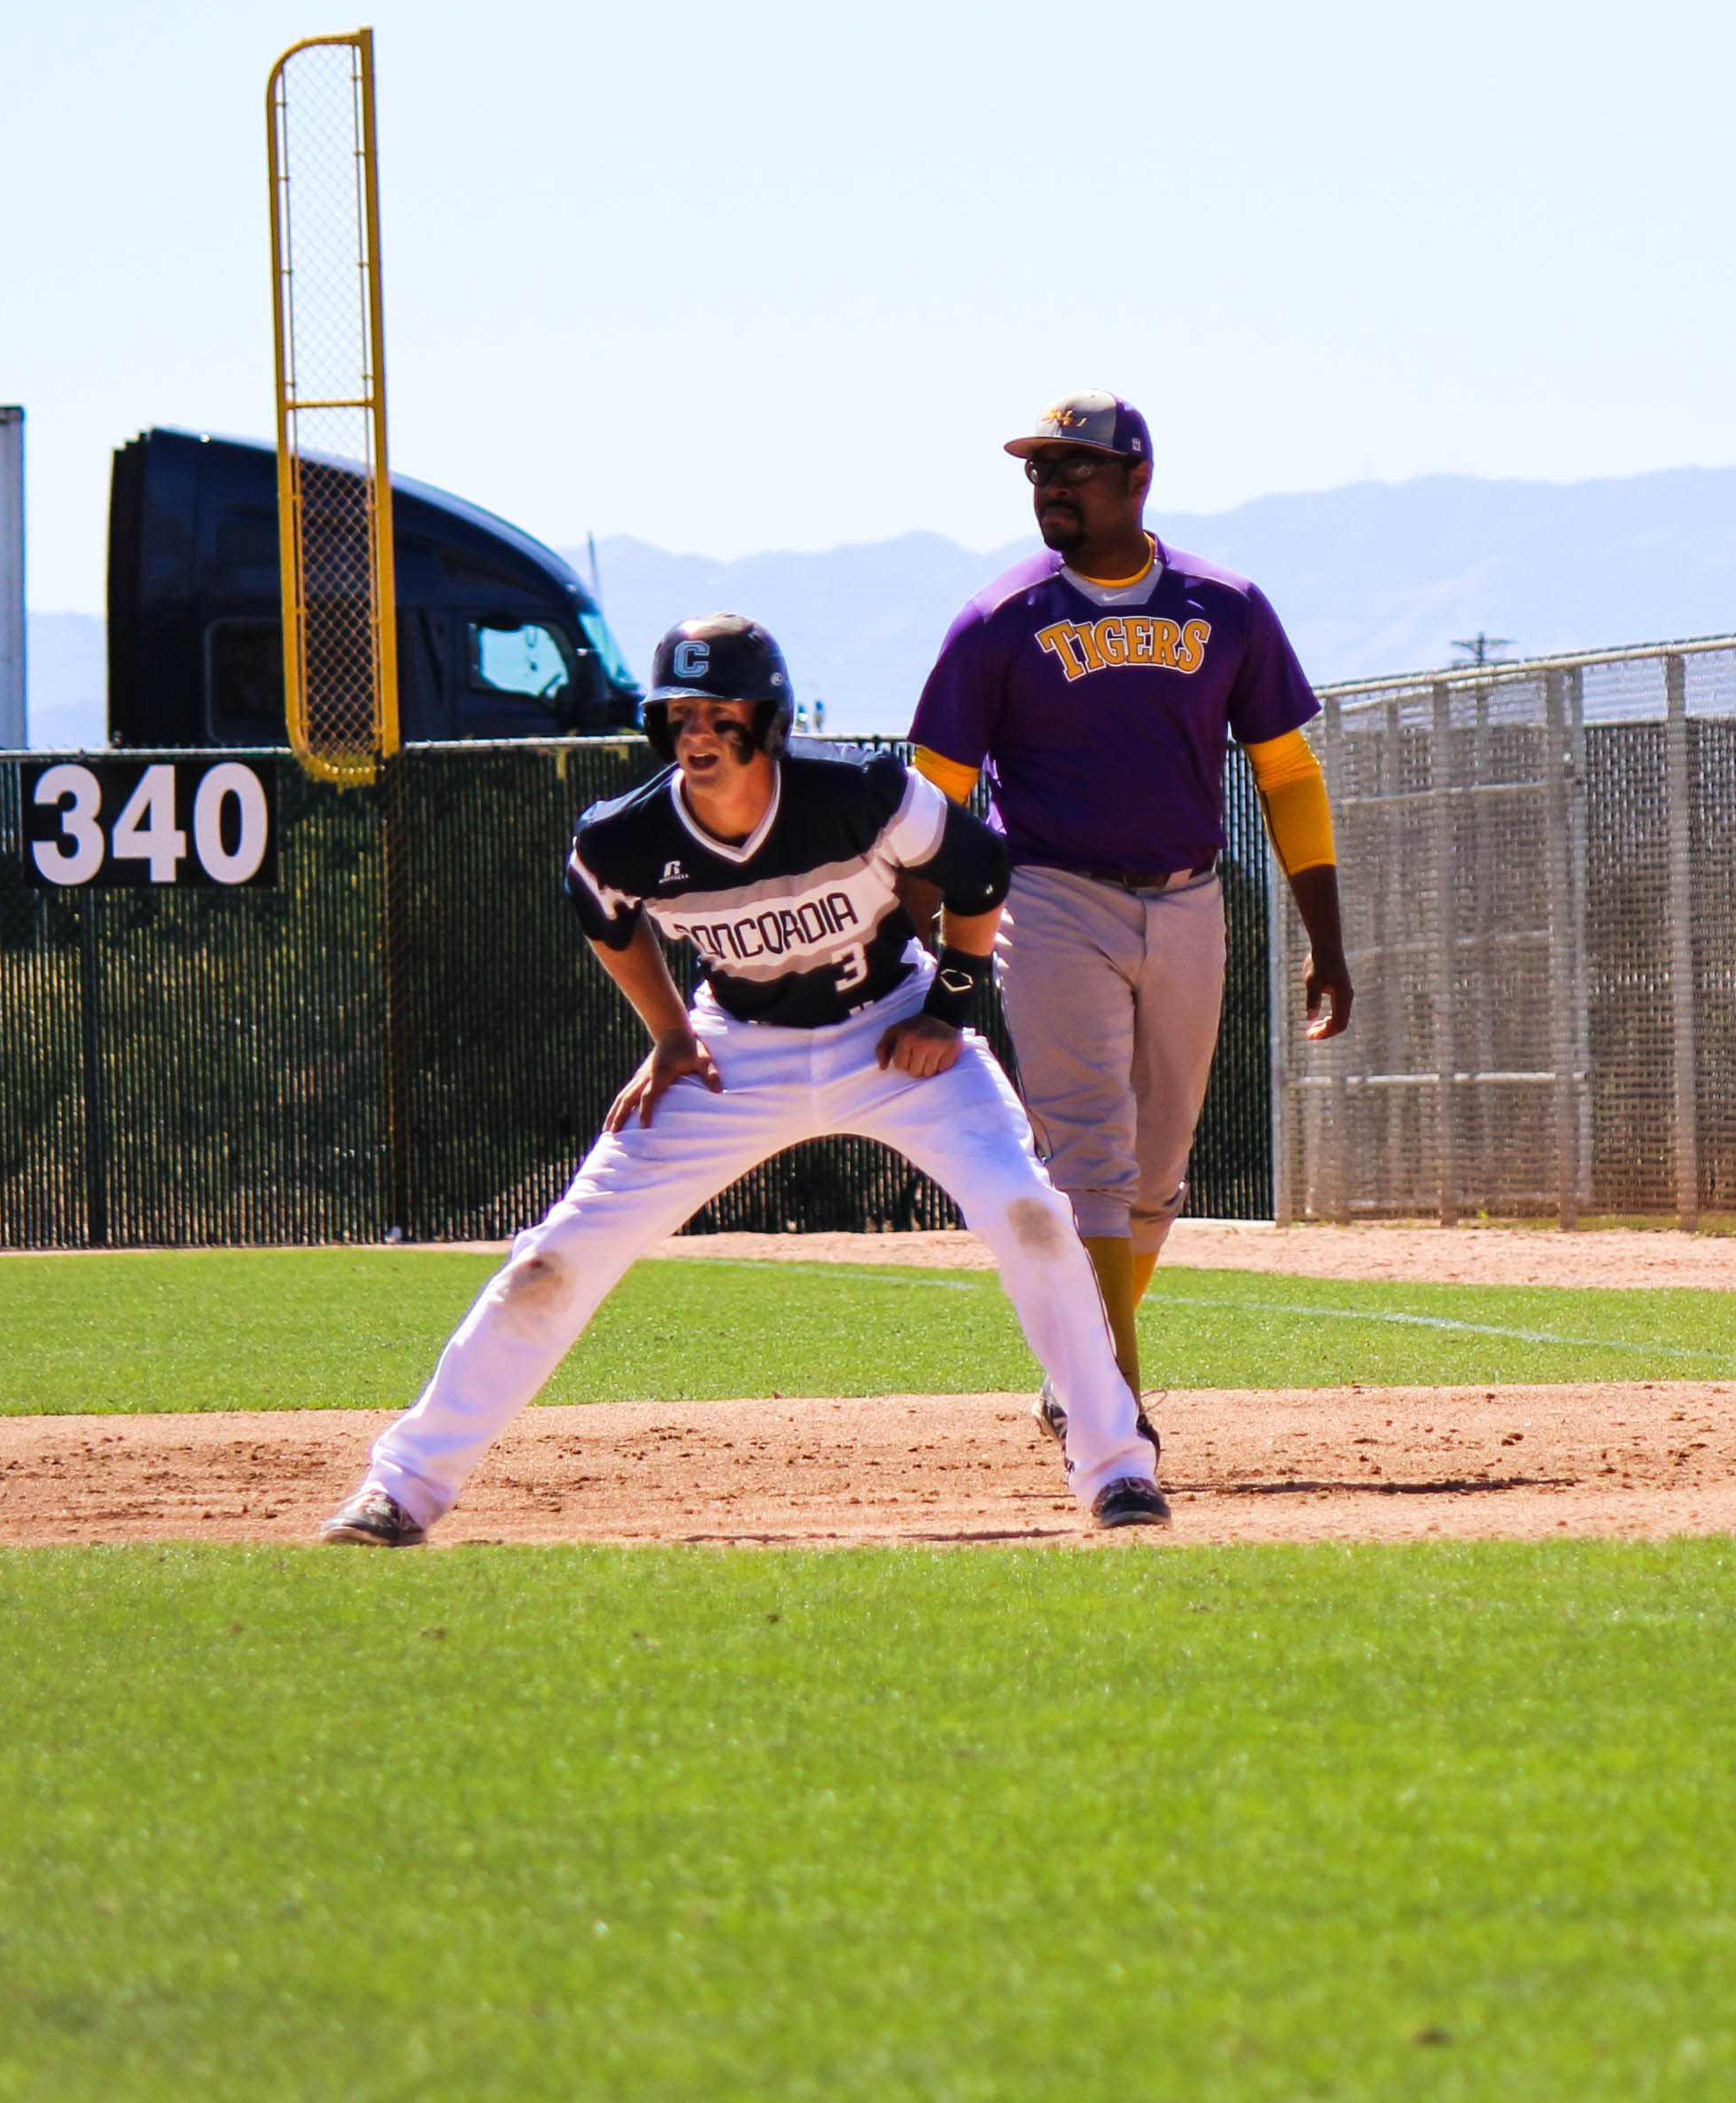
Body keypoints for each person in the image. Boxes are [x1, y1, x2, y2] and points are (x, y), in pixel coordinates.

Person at [318, 614, 1167, 1543]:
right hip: (736, 1051)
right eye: (678, 714)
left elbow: (981, 871)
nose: (698, 733)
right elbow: (606, 921)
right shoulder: (624, 837)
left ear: (767, 721)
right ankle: (402, 1486)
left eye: (721, 712)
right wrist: (670, 1033)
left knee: (1030, 1214)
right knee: (555, 1259)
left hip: (889, 1029)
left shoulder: (859, 791)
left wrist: (949, 1012)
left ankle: (1119, 1471)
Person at [905, 391, 1354, 1425]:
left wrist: (1324, 939)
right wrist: (913, 954)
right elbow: (935, 797)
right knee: (1093, 1159)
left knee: (1156, 1177)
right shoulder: (997, 621)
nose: (1049, 485)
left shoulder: (1226, 605)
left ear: (1137, 478)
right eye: (1037, 469)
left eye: (1074, 467)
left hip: (1190, 901)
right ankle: (1114, 1399)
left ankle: (1079, 1368)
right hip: (1050, 898)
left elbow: (1286, 773)